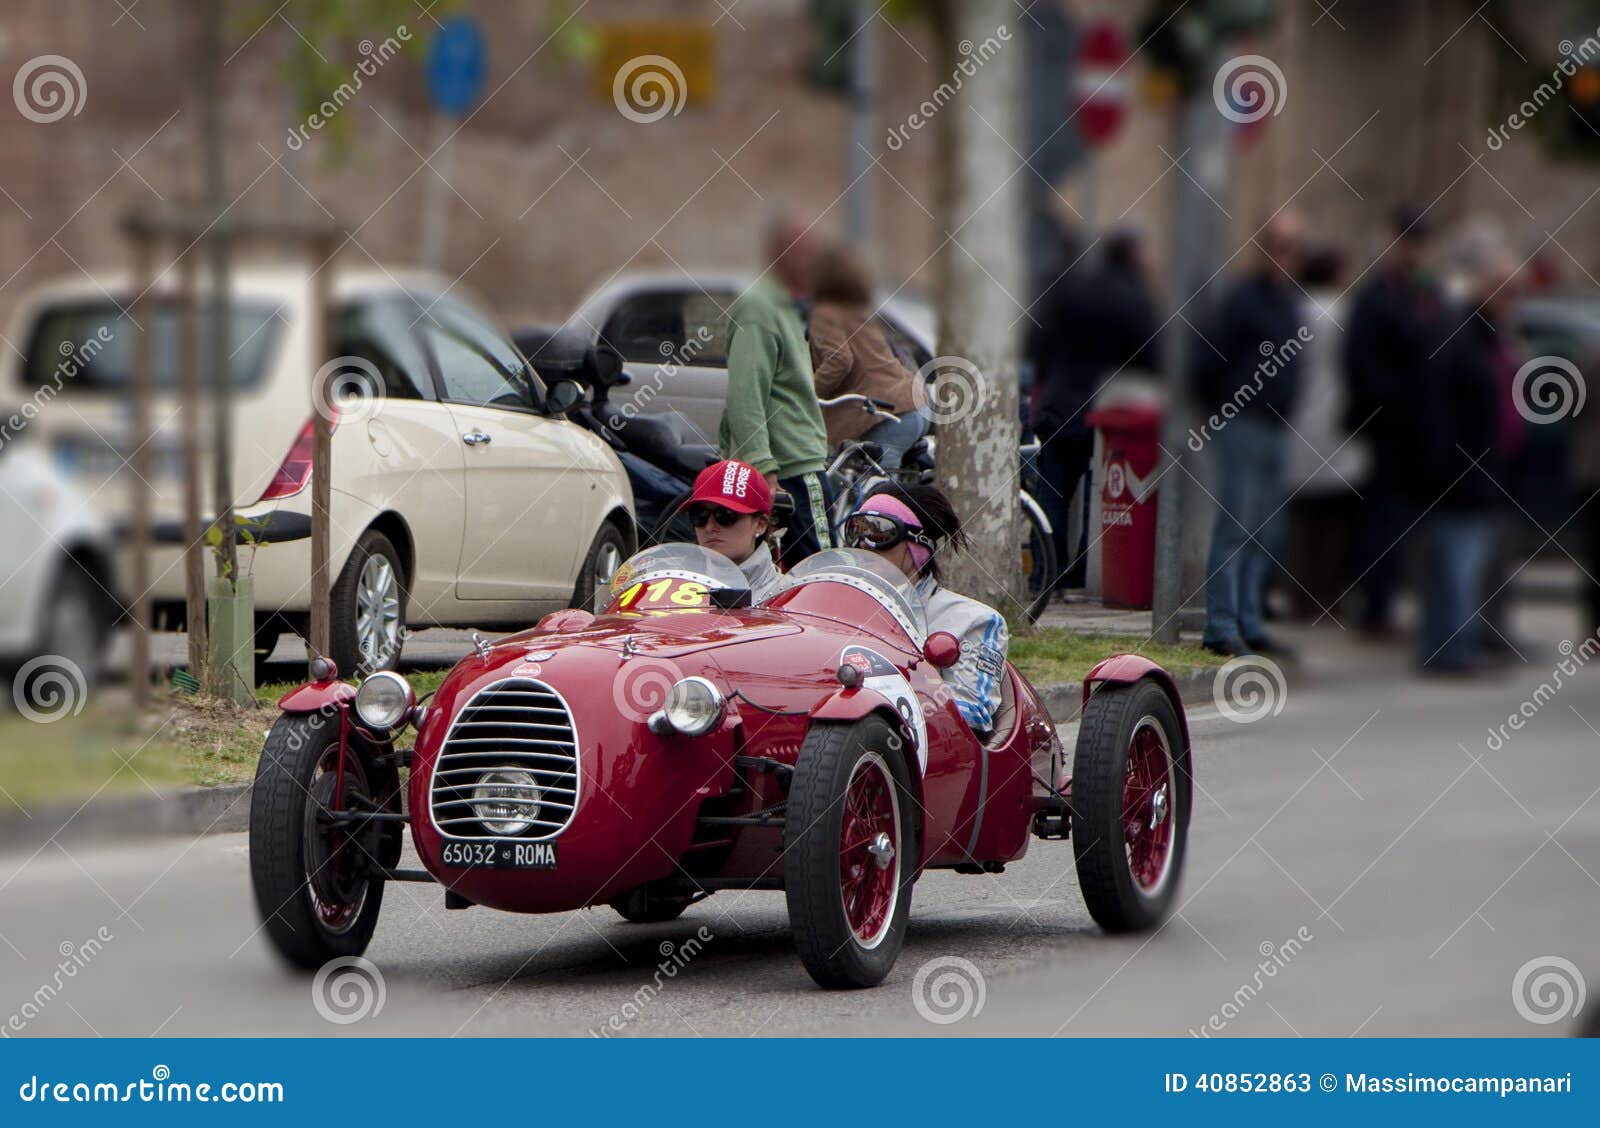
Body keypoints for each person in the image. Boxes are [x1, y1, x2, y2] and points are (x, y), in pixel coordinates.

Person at [1195, 213, 1308, 658]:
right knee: (1236, 526)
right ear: (1263, 251)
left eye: (1293, 248)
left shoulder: (1287, 301)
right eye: (1280, 247)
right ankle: (1221, 625)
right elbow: (1210, 359)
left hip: (1276, 425)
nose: (1287, 258)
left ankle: (1250, 619)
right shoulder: (1243, 299)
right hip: (1243, 421)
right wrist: (1224, 404)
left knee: (1265, 530)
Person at [1028, 225, 1161, 590]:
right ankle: (1085, 572)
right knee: (1101, 497)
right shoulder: (1134, 297)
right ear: (1133, 254)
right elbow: (1152, 354)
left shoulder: (1071, 290)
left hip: (1059, 403)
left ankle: (1045, 574)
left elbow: (1037, 344)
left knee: (1052, 496)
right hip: (1108, 409)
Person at [1342, 205, 1445, 635]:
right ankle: (1375, 606)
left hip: (1418, 429)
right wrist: (1389, 403)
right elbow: (1359, 361)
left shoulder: (1423, 294)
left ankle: (1388, 603)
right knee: (1383, 519)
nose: (1416, 251)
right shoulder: (1379, 296)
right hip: (1388, 428)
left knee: (1402, 522)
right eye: (1410, 242)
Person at [1416, 250, 1520, 673]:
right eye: (1506, 291)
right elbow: (1441, 407)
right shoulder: (1462, 336)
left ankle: (1448, 644)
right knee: (1457, 565)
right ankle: (1452, 646)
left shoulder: (1489, 336)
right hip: (1460, 471)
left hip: (1477, 468)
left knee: (1455, 563)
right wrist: (1448, 465)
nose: (1512, 301)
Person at [842, 484, 1009, 736]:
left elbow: (973, 713)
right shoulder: (835, 610)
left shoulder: (974, 620)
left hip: (934, 761)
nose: (865, 546)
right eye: (857, 531)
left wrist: (877, 709)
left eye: (880, 533)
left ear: (917, 546)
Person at [721, 210, 834, 567]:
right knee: (821, 574)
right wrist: (764, 469)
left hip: (793, 465)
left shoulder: (786, 307)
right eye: (804, 253)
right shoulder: (760, 308)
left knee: (784, 579)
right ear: (777, 255)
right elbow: (746, 394)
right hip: (791, 470)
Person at [808, 244, 928, 469]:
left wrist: (808, 393)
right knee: (888, 486)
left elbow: (839, 360)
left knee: (871, 490)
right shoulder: (858, 308)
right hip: (915, 404)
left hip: (887, 414)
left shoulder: (825, 313)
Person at [685, 459, 785, 602]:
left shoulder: (787, 598)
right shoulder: (669, 587)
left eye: (726, 515)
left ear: (760, 525)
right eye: (700, 515)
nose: (709, 527)